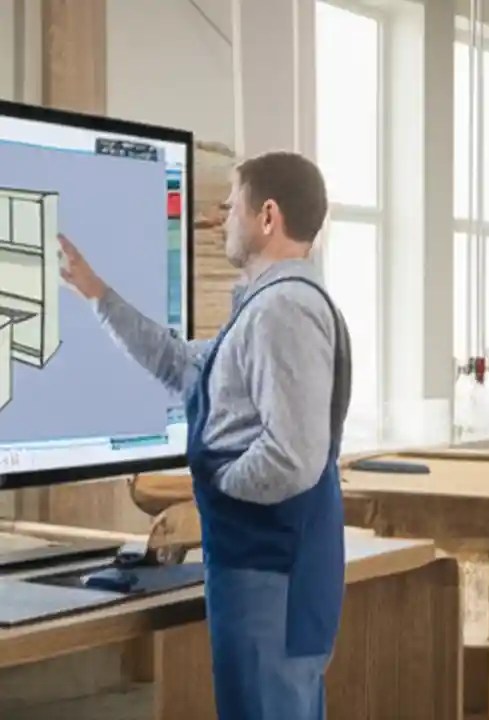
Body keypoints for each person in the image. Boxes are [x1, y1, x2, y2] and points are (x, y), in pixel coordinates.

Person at [59, 151, 352, 720]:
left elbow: (291, 459)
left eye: (231, 205)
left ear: (267, 216)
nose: (220, 220)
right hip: (264, 565)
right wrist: (101, 297)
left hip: (271, 569)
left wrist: (214, 487)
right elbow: (183, 365)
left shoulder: (284, 311)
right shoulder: (268, 307)